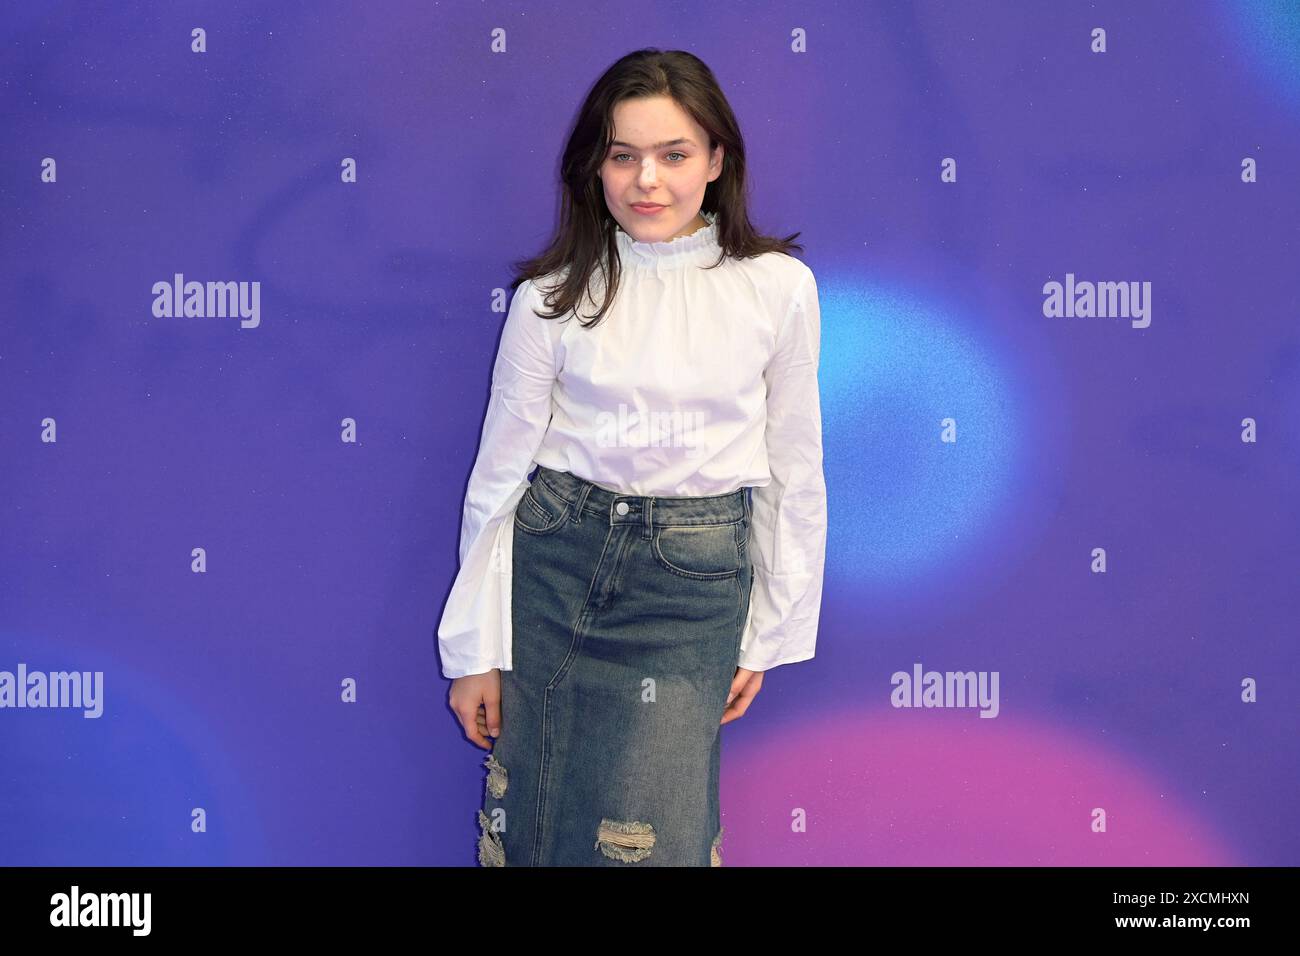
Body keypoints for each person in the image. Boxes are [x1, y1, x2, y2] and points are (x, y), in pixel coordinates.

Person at [437, 48, 827, 867]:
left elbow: (794, 470)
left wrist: (769, 632)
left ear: (717, 161)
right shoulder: (550, 297)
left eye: (674, 155)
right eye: (624, 156)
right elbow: (499, 477)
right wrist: (474, 650)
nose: (647, 180)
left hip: (691, 591)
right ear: (597, 168)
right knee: (540, 820)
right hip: (553, 570)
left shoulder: (778, 288)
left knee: (656, 838)